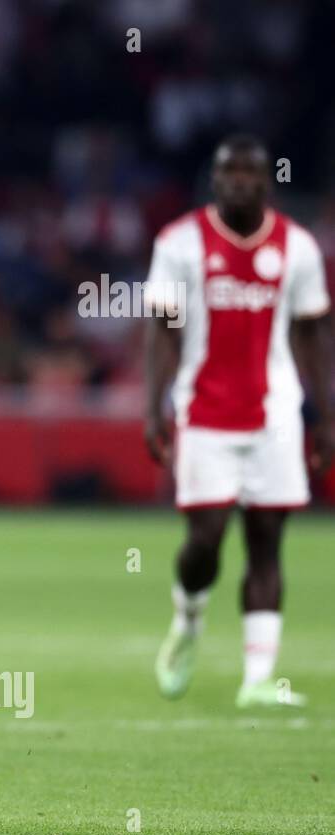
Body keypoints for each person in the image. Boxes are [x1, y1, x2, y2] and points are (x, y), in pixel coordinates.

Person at [145, 134, 331, 707]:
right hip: (203, 413)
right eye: (231, 173)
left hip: (275, 414)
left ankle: (258, 680)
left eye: (252, 173)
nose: (242, 182)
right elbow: (163, 330)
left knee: (268, 541)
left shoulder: (297, 247)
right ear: (216, 180)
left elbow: (309, 333)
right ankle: (189, 614)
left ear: (266, 181)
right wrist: (157, 407)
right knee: (205, 539)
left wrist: (322, 415)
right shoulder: (179, 243)